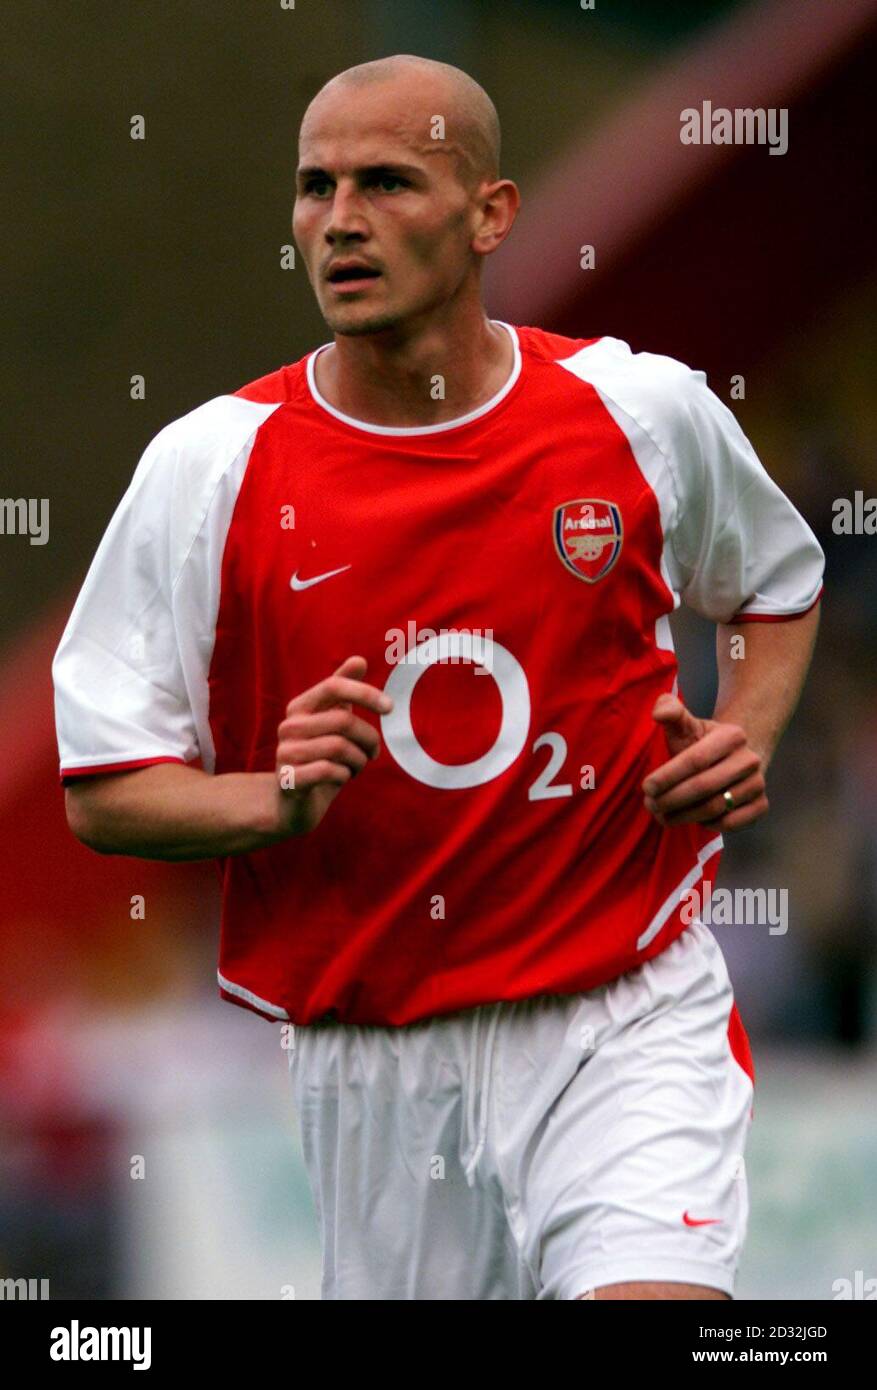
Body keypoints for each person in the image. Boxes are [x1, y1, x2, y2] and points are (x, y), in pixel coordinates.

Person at [53, 55, 824, 1301]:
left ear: (489, 213)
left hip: (622, 1012)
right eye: (316, 186)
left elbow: (775, 584)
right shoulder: (211, 468)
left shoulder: (637, 408)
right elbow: (102, 786)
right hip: (375, 1062)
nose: (340, 219)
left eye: (387, 182)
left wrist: (747, 732)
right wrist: (271, 799)